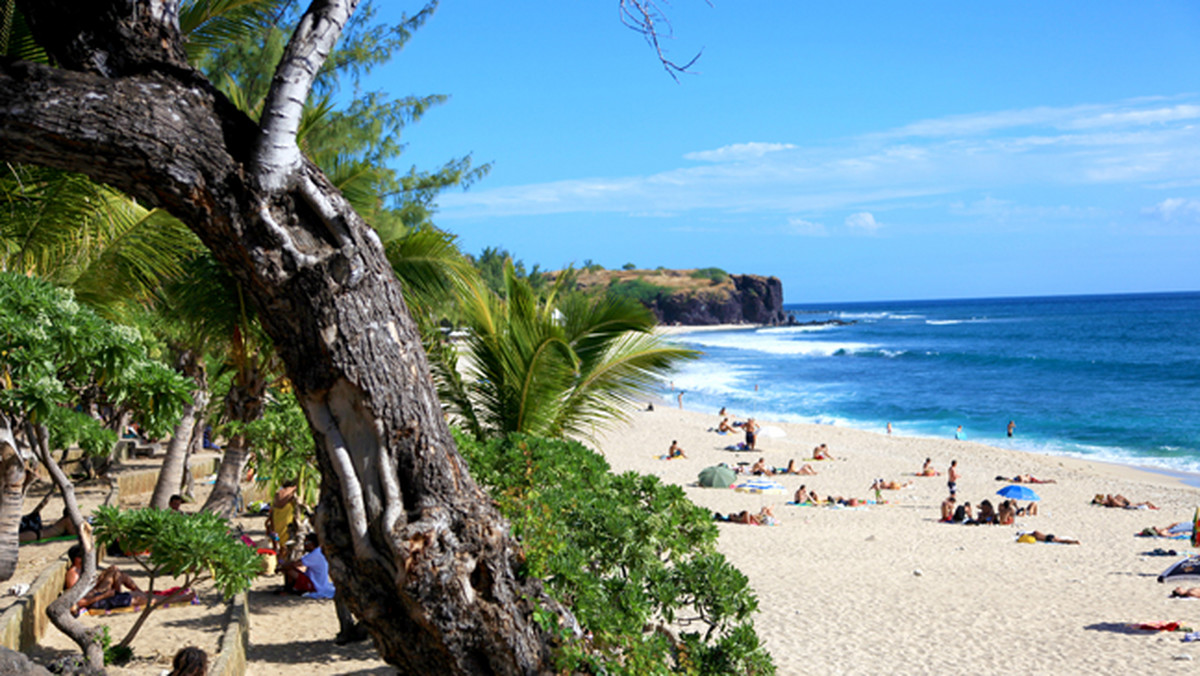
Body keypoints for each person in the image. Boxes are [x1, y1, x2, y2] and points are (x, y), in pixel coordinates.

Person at [279, 533, 336, 598]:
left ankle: (289, 589)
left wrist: (281, 562)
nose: (305, 545)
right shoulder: (317, 552)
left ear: (313, 544)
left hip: (315, 585)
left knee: (289, 570)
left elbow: (294, 564)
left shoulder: (314, 555)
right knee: (291, 568)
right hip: (315, 580)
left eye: (307, 543)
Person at [266, 480, 299, 558]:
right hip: (287, 522)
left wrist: (269, 523)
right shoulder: (293, 492)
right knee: (285, 544)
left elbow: (272, 510)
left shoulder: (278, 494)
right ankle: (282, 561)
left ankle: (278, 560)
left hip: (276, 520)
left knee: (278, 543)